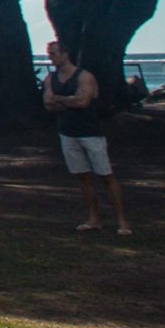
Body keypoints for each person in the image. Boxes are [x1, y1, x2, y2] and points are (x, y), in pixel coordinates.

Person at [43, 38, 131, 235]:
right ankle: (94, 218)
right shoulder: (50, 79)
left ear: (65, 54)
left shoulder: (84, 76)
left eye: (54, 53)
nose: (50, 58)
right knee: (83, 177)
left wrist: (61, 100)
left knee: (106, 175)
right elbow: (48, 105)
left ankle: (122, 221)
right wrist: (69, 100)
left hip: (91, 133)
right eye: (49, 54)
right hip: (67, 133)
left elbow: (83, 101)